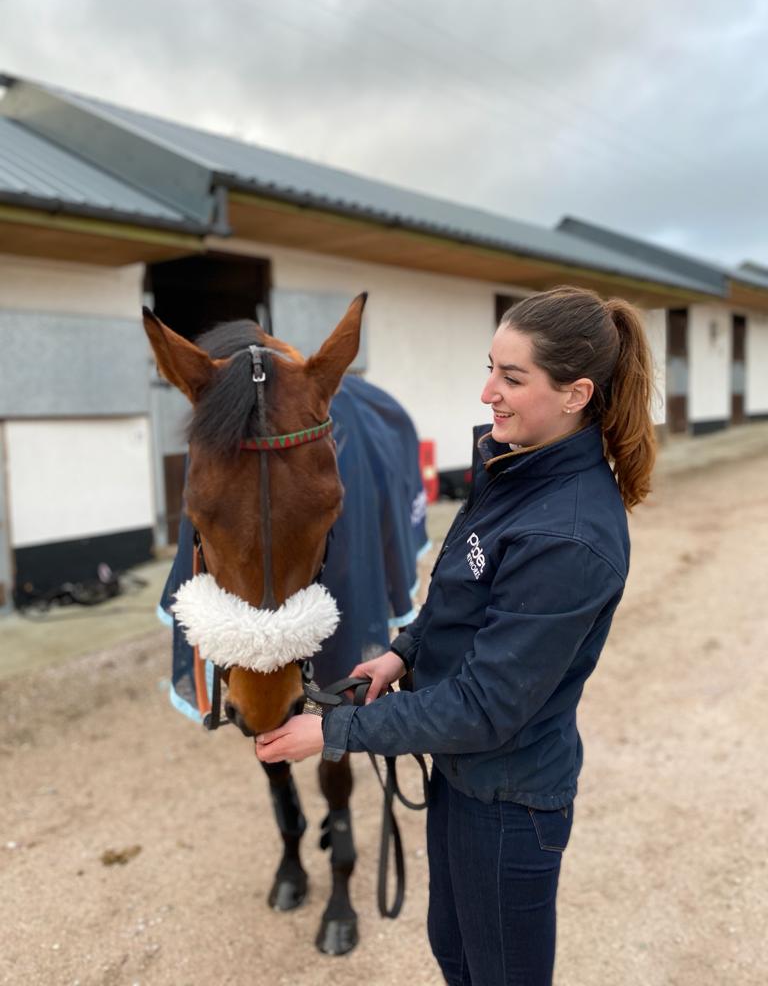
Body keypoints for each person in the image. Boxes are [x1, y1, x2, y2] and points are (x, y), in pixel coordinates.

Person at [256, 285, 657, 986]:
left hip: (508, 798)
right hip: (464, 775)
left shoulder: (569, 535)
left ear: (576, 393)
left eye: (512, 377)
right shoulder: (514, 465)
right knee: (454, 952)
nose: (487, 393)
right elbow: (463, 601)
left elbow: (485, 706)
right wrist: (400, 654)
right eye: (489, 368)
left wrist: (335, 733)